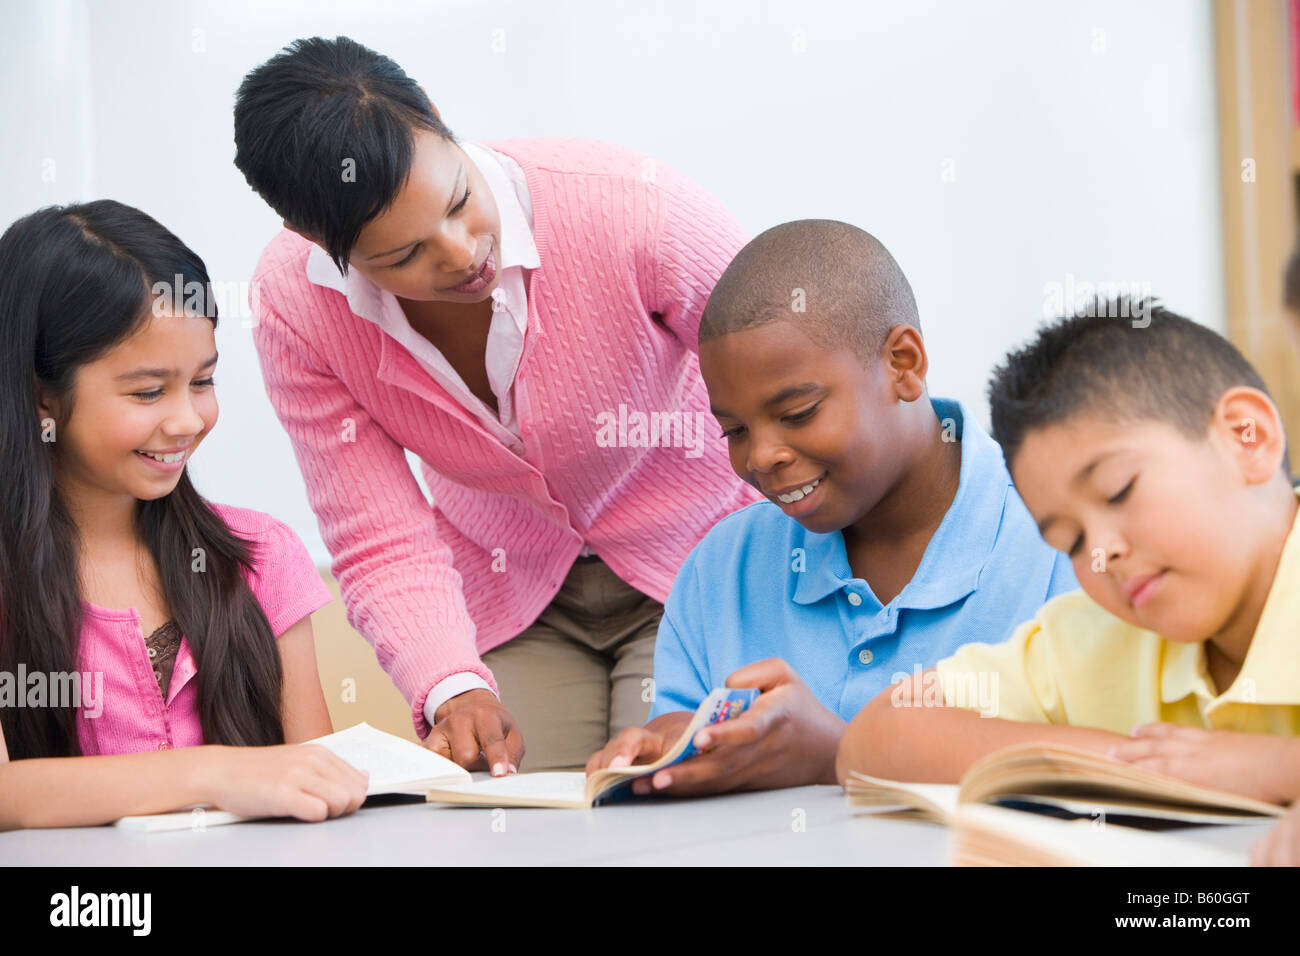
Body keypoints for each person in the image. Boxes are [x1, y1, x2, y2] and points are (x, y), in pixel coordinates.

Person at [233, 36, 760, 773]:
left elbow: (795, 376)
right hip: (513, 593)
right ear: (312, 238)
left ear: (442, 122)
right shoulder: (295, 303)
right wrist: (452, 687)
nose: (459, 253)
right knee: (513, 813)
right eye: (403, 256)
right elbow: (378, 530)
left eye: (458, 203)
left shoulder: (635, 208)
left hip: (699, 563)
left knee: (661, 790)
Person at [586, 220, 1075, 795]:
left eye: (798, 413)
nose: (762, 457)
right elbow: (692, 758)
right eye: (735, 430)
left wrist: (839, 757)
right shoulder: (721, 571)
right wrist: (674, 742)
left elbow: (1116, 776)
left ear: (904, 363)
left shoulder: (1066, 542)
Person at [838, 300, 1300, 811]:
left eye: (1119, 490)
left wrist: (1276, 766)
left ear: (1246, 437)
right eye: (1071, 541)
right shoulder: (1092, 640)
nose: (1102, 553)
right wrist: (1150, 768)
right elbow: (873, 739)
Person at [0, 201, 368, 829]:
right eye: (147, 392)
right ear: (42, 393)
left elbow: (312, 776)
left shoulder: (258, 553)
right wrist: (215, 773)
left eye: (203, 381)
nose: (187, 421)